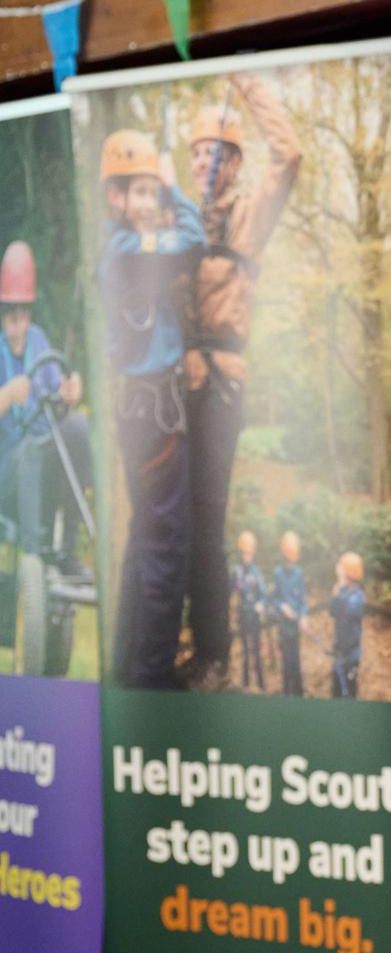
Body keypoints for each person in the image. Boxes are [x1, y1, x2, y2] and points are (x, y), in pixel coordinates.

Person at [182, 74, 303, 691]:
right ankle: (182, 638)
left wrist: (250, 90)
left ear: (234, 163)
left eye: (220, 154)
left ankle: (214, 653)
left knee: (206, 517)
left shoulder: (248, 219)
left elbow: (290, 156)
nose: (208, 162)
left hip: (221, 384)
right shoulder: (177, 221)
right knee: (169, 518)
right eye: (200, 152)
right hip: (172, 386)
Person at [97, 129, 205, 689]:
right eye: (136, 192)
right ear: (115, 197)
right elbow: (193, 238)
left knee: (147, 537)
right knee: (167, 542)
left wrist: (163, 190)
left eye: (150, 194)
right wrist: (170, 182)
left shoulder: (127, 249)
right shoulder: (125, 251)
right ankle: (152, 673)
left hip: (147, 408)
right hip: (151, 413)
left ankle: (131, 666)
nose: (147, 204)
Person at [0, 240, 92, 573]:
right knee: (28, 452)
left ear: (29, 312)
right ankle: (32, 555)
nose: (17, 324)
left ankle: (66, 550)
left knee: (78, 427)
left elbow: (58, 393)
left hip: (44, 454)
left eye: (22, 313)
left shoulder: (39, 340)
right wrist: (8, 394)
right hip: (9, 469)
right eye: (9, 315)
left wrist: (70, 390)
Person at [230, 529, 267, 690]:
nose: (247, 556)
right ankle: (246, 684)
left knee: (256, 652)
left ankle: (261, 683)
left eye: (249, 553)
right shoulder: (237, 572)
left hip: (255, 616)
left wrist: (261, 604)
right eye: (245, 553)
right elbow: (230, 591)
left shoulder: (257, 572)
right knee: (245, 652)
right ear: (241, 553)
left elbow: (263, 593)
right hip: (243, 615)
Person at [270, 529, 306, 696]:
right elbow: (274, 598)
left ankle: (298, 693)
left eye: (293, 560)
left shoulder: (299, 574)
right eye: (288, 560)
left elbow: (302, 600)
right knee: (286, 663)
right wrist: (282, 606)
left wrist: (303, 615)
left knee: (296, 662)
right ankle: (286, 693)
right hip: (283, 626)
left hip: (295, 625)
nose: (290, 564)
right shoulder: (278, 573)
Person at [329, 551, 364, 698]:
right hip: (339, 650)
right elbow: (332, 612)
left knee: (349, 691)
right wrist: (336, 594)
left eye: (341, 568)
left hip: (351, 654)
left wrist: (338, 596)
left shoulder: (358, 596)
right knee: (336, 689)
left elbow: (349, 610)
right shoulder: (341, 591)